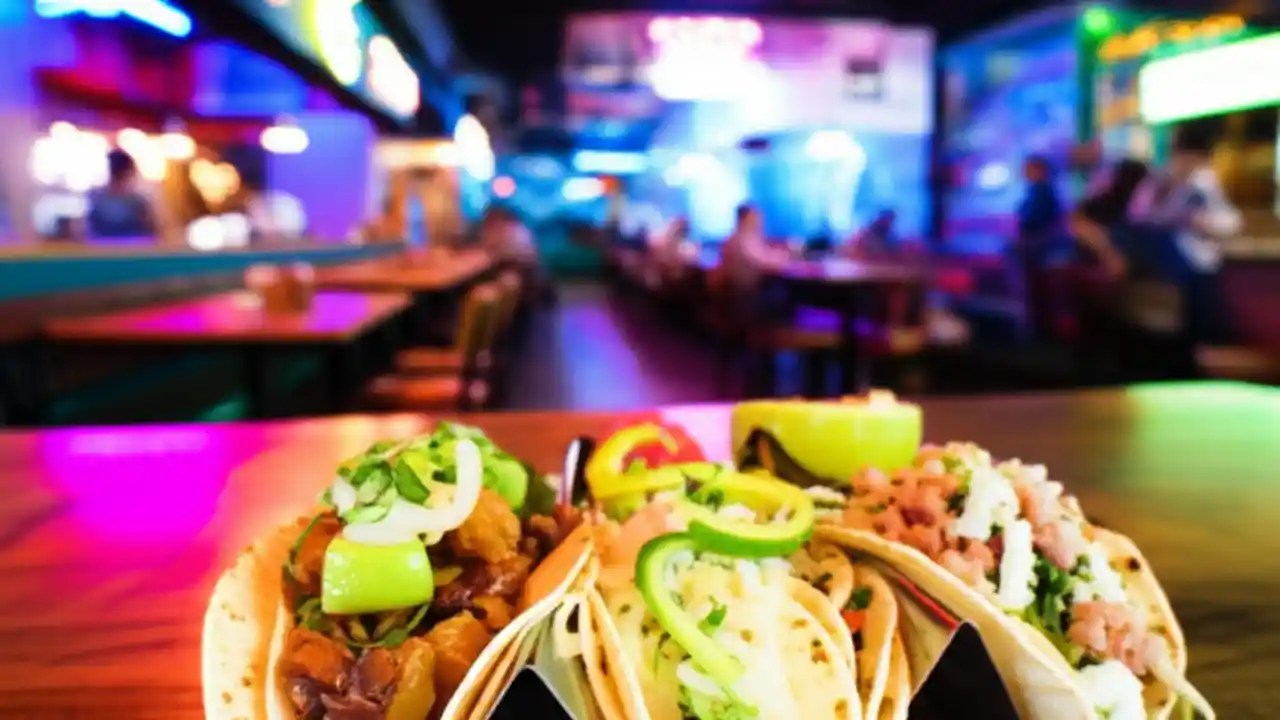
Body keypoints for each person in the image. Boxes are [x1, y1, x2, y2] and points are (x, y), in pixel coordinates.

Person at [1129, 123, 1241, 343]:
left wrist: (1201, 221)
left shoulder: (1203, 182)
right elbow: (1139, 216)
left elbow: (1230, 222)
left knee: (1202, 317)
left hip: (1195, 267)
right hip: (1165, 265)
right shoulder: (1160, 181)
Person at [1013, 154, 1065, 338]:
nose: (1024, 172)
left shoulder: (1043, 192)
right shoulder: (1037, 191)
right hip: (1036, 251)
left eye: (1029, 168)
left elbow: (1038, 222)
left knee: (1036, 294)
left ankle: (1036, 334)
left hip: (1037, 251)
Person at [717, 203, 790, 295]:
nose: (759, 221)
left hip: (737, 292)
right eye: (755, 217)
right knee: (784, 293)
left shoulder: (733, 238)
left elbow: (763, 255)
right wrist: (786, 255)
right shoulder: (744, 239)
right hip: (747, 293)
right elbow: (763, 261)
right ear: (745, 218)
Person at [87, 150, 156, 239]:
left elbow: (152, 231)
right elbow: (84, 231)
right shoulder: (96, 198)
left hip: (135, 249)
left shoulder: (138, 201)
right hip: (100, 249)